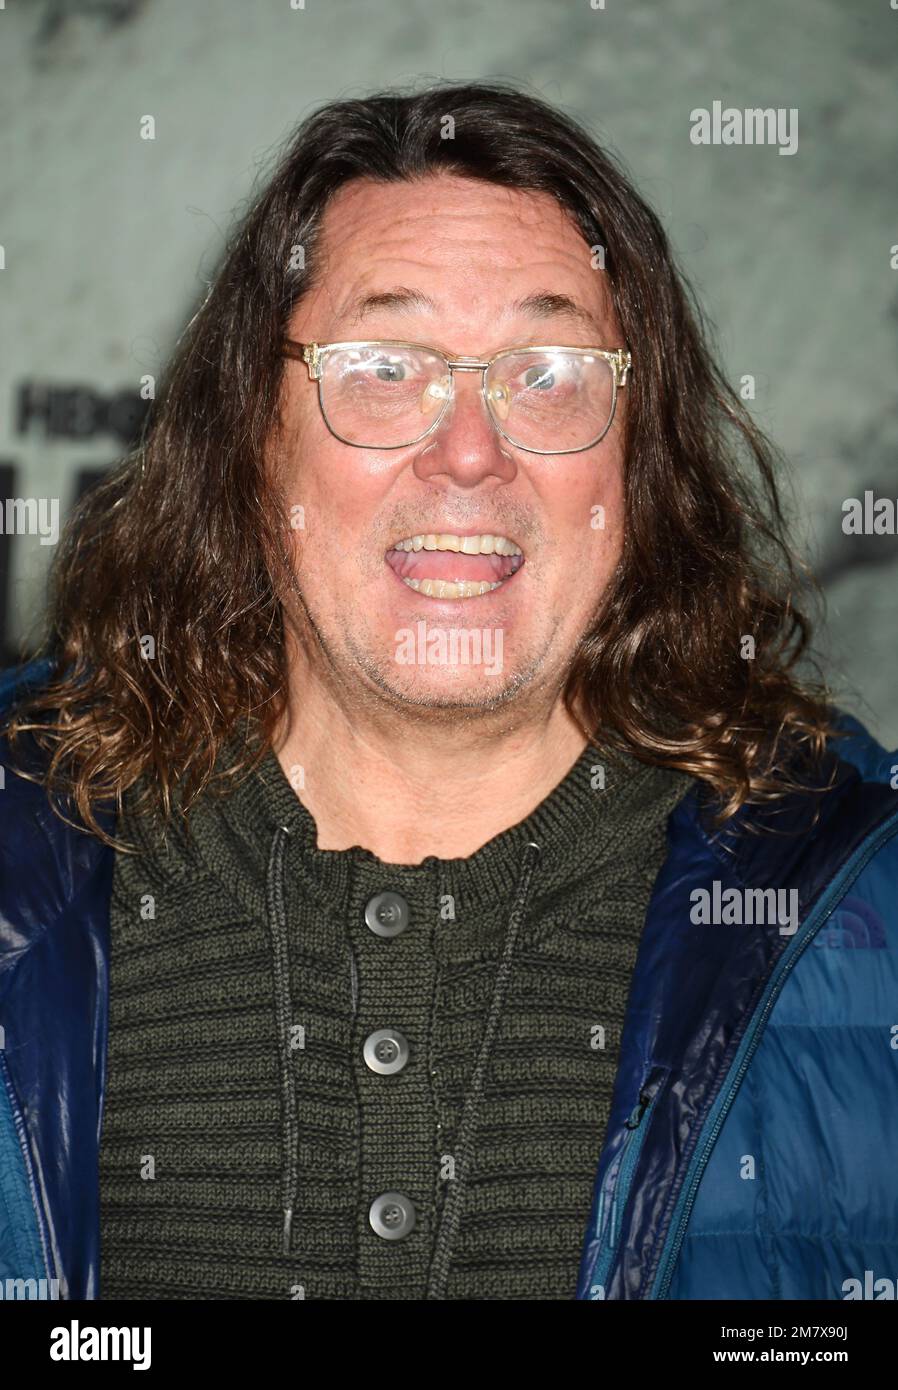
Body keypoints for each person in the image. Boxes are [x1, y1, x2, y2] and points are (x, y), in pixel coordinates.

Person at [1, 80, 896, 1303]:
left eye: (549, 372)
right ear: (248, 436)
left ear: (637, 456)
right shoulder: (27, 842)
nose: (471, 450)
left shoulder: (860, 907)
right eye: (381, 364)